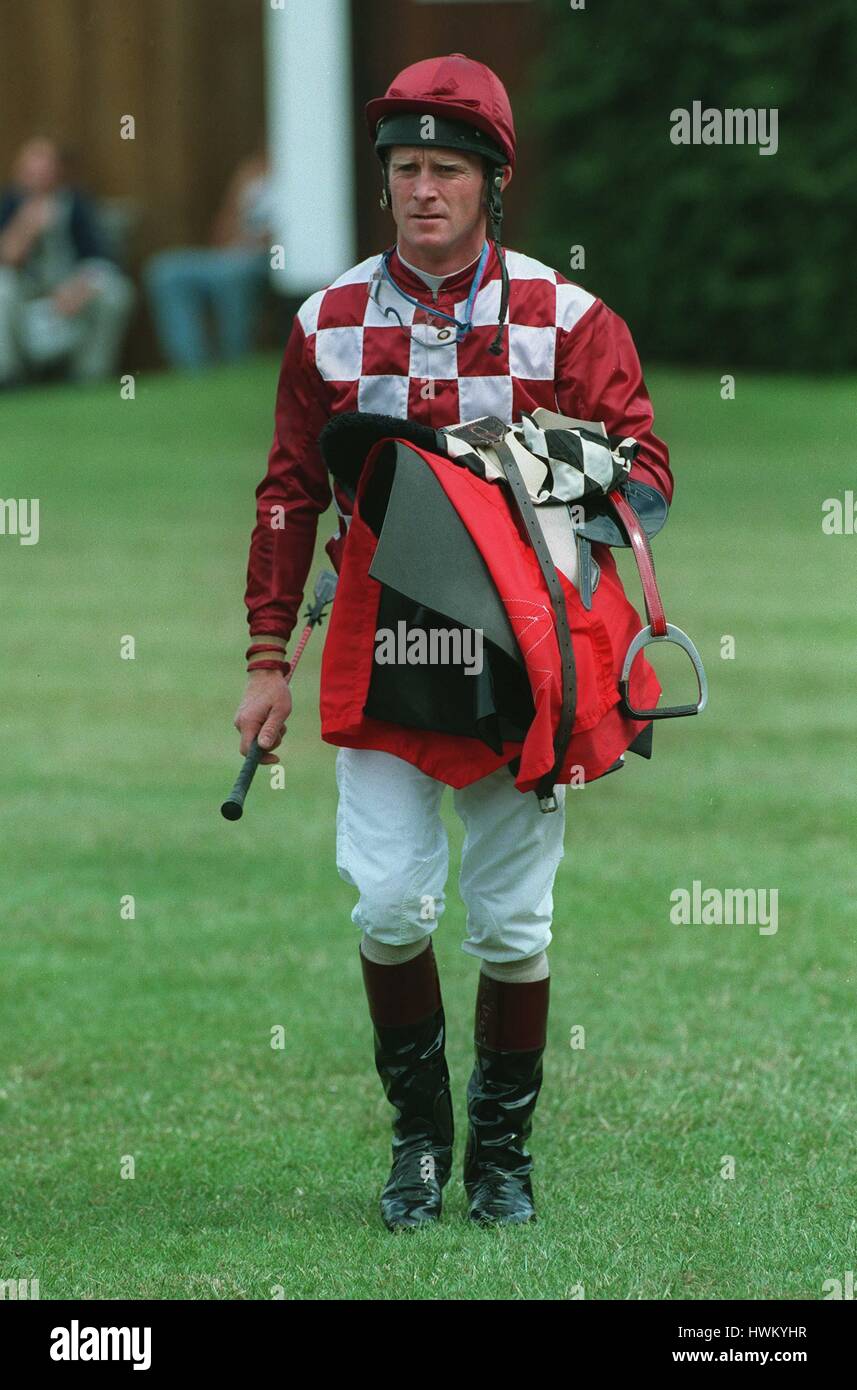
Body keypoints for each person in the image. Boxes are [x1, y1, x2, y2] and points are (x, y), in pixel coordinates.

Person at [233, 55, 673, 1229]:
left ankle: (501, 1157)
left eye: (446, 169)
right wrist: (265, 658)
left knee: (513, 923)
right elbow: (287, 495)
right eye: (404, 168)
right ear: (384, 180)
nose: (422, 190)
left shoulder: (565, 317)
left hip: (522, 660)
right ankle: (419, 1145)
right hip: (378, 644)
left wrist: (513, 474)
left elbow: (645, 479)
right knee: (384, 904)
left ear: (492, 181)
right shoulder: (325, 323)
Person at [0, 136, 135, 386]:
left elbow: (103, 258)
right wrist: (26, 227)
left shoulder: (77, 204)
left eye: (43, 162)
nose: (35, 170)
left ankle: (90, 376)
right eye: (30, 162)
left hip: (69, 292)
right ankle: (8, 377)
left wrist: (79, 287)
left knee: (118, 292)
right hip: (24, 296)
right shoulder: (9, 204)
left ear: (58, 169)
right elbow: (6, 260)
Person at [143, 153, 273, 370]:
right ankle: (193, 368)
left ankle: (235, 362)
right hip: (232, 255)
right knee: (164, 270)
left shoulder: (306, 174)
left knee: (233, 275)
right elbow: (225, 223)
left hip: (271, 260)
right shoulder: (251, 171)